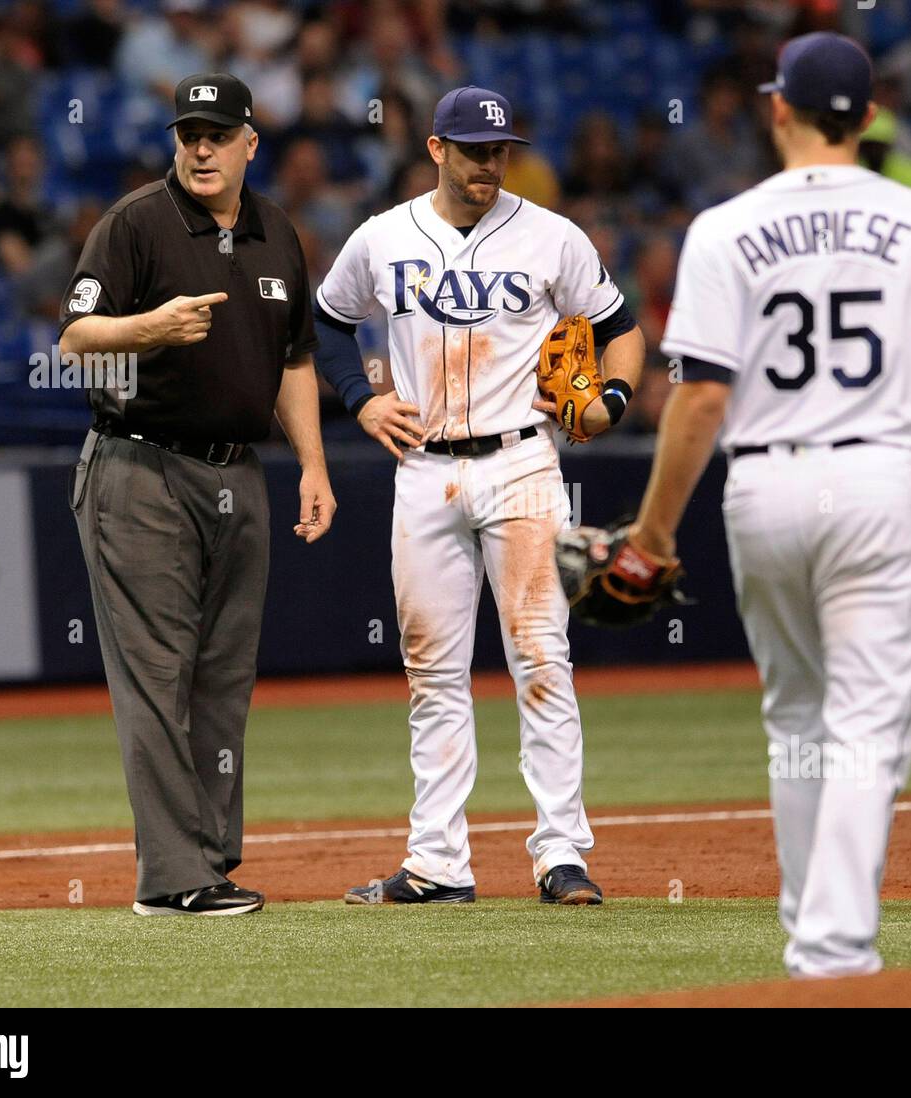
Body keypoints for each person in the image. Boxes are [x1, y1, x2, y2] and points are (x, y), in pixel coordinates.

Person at [622, 33, 911, 976]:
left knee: (798, 720)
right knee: (866, 720)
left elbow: (700, 396)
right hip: (877, 483)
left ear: (778, 108)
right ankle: (833, 949)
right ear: (866, 118)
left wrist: (652, 532)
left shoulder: (723, 227)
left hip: (763, 485)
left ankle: (810, 932)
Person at [313, 86, 645, 905]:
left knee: (542, 658)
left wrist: (612, 403)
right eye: (472, 150)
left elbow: (621, 329)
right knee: (431, 670)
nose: (488, 164)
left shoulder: (552, 236)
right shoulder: (383, 237)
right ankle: (437, 865)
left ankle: (561, 854)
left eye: (499, 150)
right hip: (424, 470)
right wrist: (359, 396)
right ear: (436, 149)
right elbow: (324, 322)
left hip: (523, 466)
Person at [59, 73, 335, 916]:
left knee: (222, 678)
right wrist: (149, 327)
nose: (202, 148)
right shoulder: (136, 224)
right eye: (189, 135)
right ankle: (173, 878)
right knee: (156, 674)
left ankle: (209, 863)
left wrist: (314, 464)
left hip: (238, 474)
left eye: (218, 134)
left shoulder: (277, 232)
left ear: (253, 143)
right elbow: (74, 341)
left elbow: (293, 362)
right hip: (139, 468)